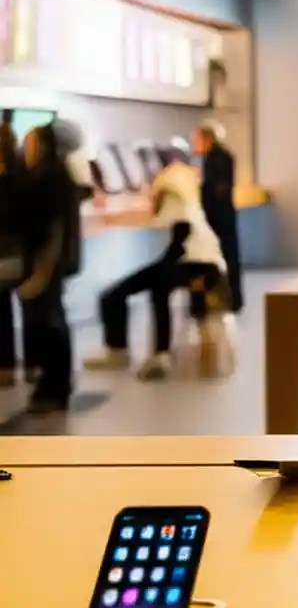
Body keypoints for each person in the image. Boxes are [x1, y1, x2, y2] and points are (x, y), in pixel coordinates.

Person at [84, 155, 227, 380]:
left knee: (124, 293)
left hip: (191, 264)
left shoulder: (174, 201)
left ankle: (134, 352)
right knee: (156, 286)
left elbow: (176, 233)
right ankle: (159, 354)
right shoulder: (190, 206)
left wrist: (111, 218)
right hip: (208, 268)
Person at [14, 125, 80, 413]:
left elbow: (49, 229)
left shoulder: (51, 179)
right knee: (49, 323)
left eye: (31, 144)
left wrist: (42, 271)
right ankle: (53, 384)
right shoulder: (54, 176)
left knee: (51, 323)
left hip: (48, 263)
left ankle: (56, 386)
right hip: (49, 262)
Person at [194, 121, 242, 313]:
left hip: (217, 215)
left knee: (219, 257)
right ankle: (233, 299)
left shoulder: (214, 159)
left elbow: (215, 189)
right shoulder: (224, 156)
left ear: (207, 138)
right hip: (225, 214)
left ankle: (223, 300)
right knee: (230, 256)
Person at [0, 118, 32, 388]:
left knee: (2, 311)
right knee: (25, 308)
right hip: (22, 253)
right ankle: (32, 365)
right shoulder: (24, 174)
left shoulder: (7, 178)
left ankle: (6, 367)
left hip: (6, 252)